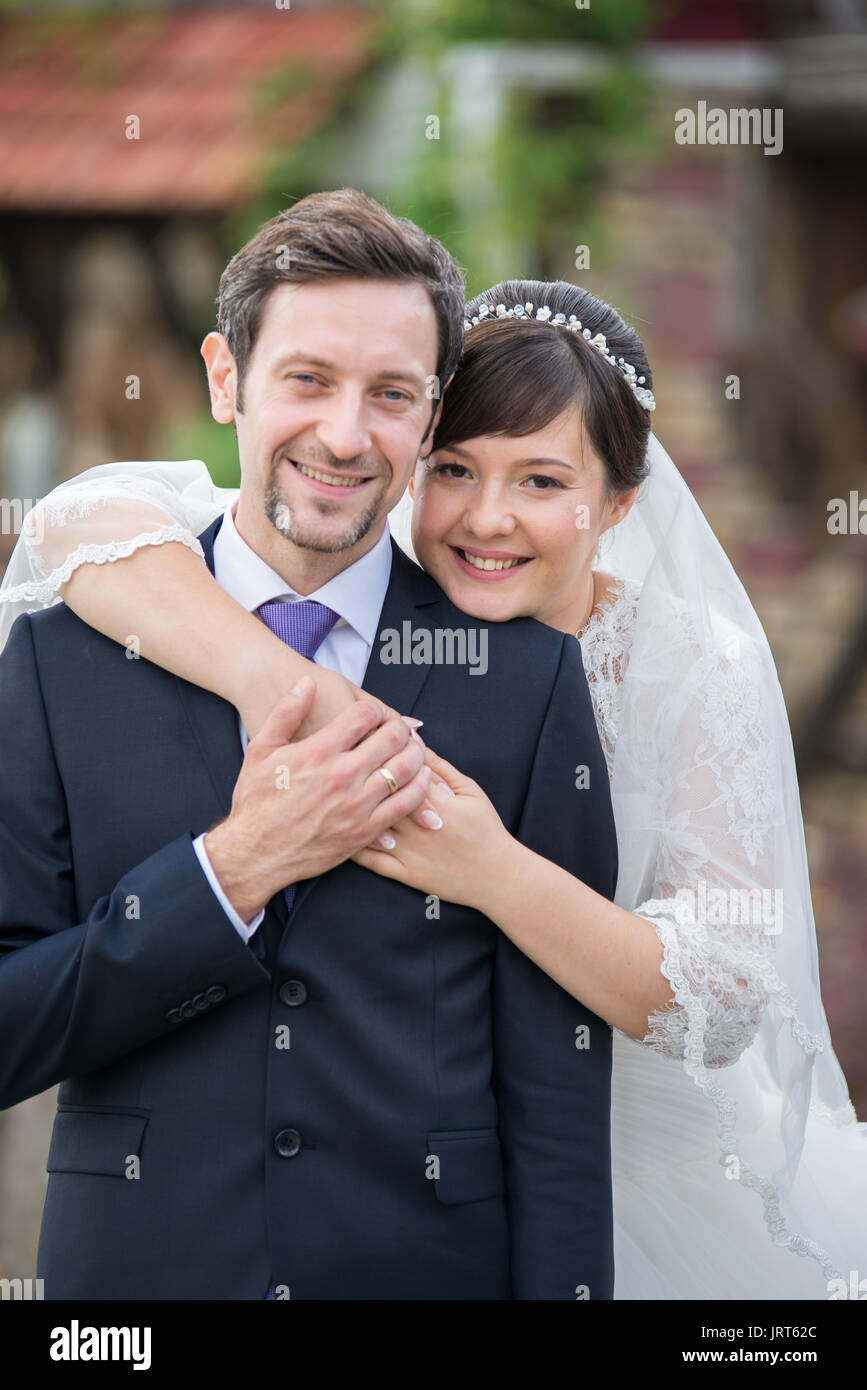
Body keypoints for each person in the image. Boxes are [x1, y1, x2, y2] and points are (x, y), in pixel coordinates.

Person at [3, 262, 866, 1299]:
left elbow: (707, 1001)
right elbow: (78, 521)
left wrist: (492, 869)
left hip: (624, 1186)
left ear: (616, 504)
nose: (485, 520)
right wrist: (282, 701)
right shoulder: (179, 600)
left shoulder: (662, 667)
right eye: (456, 469)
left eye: (542, 482)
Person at [0, 192, 621, 1301]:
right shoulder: (62, 656)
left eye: (390, 394)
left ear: (431, 415)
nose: (343, 435)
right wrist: (229, 874)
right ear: (225, 378)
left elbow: (558, 1107)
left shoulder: (529, 682)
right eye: (306, 379)